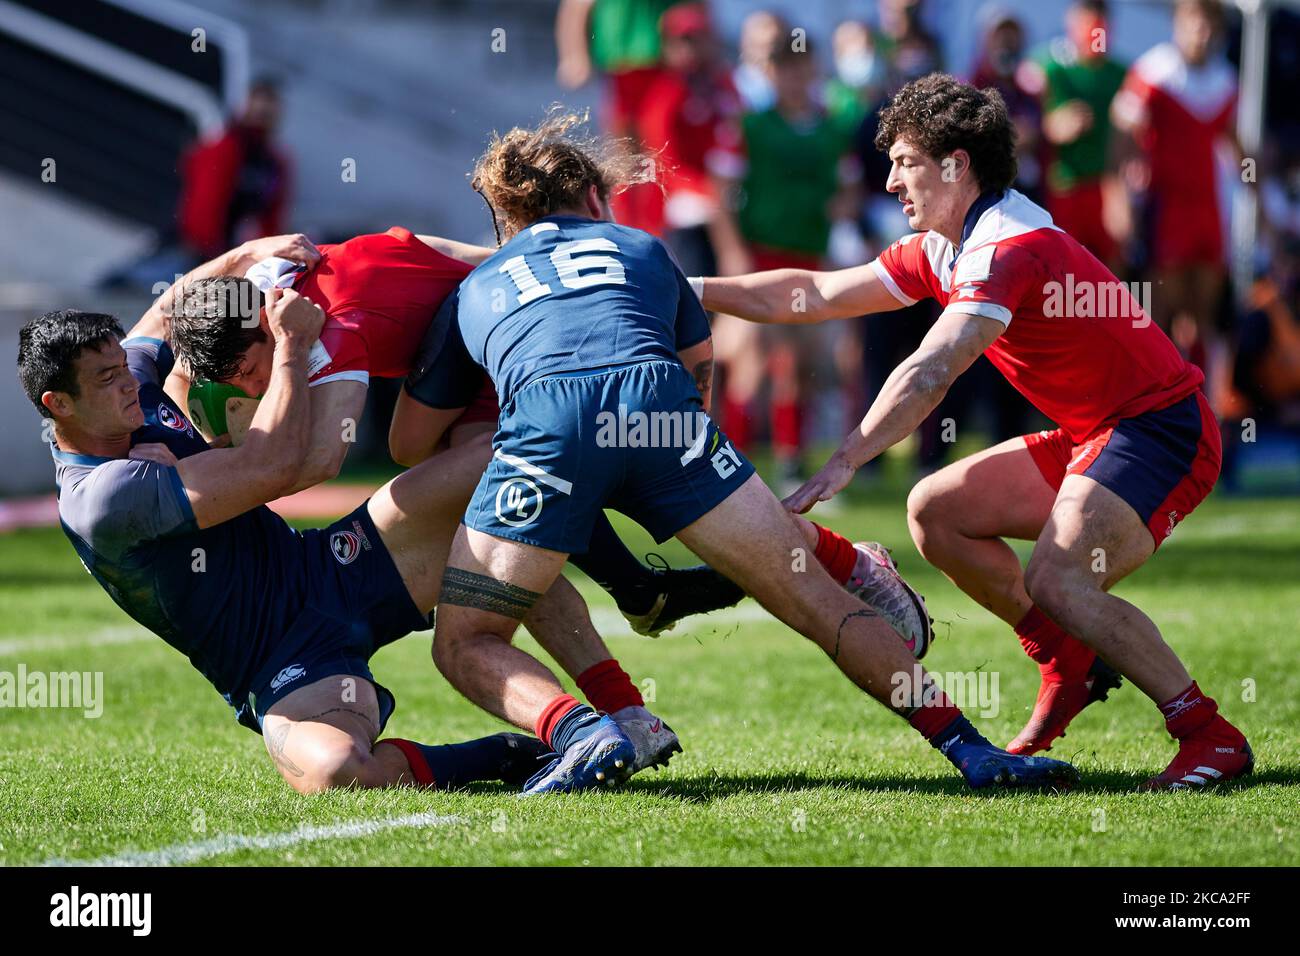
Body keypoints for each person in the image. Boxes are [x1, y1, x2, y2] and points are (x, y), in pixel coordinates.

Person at [409, 111, 1080, 796]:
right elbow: (699, 373)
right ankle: (971, 750)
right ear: (593, 201)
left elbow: (408, 441)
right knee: (814, 599)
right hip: (664, 415)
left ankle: (585, 730)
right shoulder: (639, 249)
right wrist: (673, 478)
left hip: (548, 425)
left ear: (508, 217)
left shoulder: (478, 284)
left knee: (466, 639)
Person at [692, 74, 1253, 790]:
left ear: (955, 164)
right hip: (1100, 431)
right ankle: (1067, 661)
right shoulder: (949, 242)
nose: (890, 180)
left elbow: (932, 371)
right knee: (937, 510)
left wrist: (847, 460)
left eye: (905, 162)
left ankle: (1208, 731)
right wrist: (694, 290)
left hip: (1159, 431)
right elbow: (817, 293)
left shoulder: (1004, 247)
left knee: (1060, 578)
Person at [16, 244, 586, 795]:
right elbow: (273, 465)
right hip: (279, 663)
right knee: (336, 772)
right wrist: (290, 343)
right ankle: (508, 754)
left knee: (506, 453)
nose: (127, 382)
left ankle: (616, 693)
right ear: (58, 405)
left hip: (331, 569)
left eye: (122, 366)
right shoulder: (103, 498)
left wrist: (245, 254)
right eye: (105, 379)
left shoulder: (135, 394)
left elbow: (167, 310)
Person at [1111, 0, 1239, 375]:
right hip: (1166, 208)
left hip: (1208, 211)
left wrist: (1258, 202)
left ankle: (1202, 406)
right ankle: (1156, 400)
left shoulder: (1225, 80)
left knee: (1203, 313)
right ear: (1179, 24)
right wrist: (1119, 198)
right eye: (1196, 23)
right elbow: (1121, 136)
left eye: (1210, 25)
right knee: (1160, 310)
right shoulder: (1153, 72)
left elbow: (1237, 145)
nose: (1204, 33)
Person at [1028, 0, 1128, 267]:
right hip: (1063, 188)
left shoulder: (1121, 74)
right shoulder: (1049, 67)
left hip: (1103, 188)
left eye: (1099, 27)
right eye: (1087, 25)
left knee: (1108, 273)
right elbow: (1022, 116)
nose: (1094, 35)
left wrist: (1119, 194)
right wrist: (1051, 126)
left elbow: (1129, 135)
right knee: (1061, 269)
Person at [176, 78, 293, 262]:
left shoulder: (274, 164)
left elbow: (271, 220)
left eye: (268, 111)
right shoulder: (224, 148)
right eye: (258, 109)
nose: (262, 114)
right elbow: (203, 203)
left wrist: (265, 259)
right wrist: (207, 249)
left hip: (226, 253)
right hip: (192, 247)